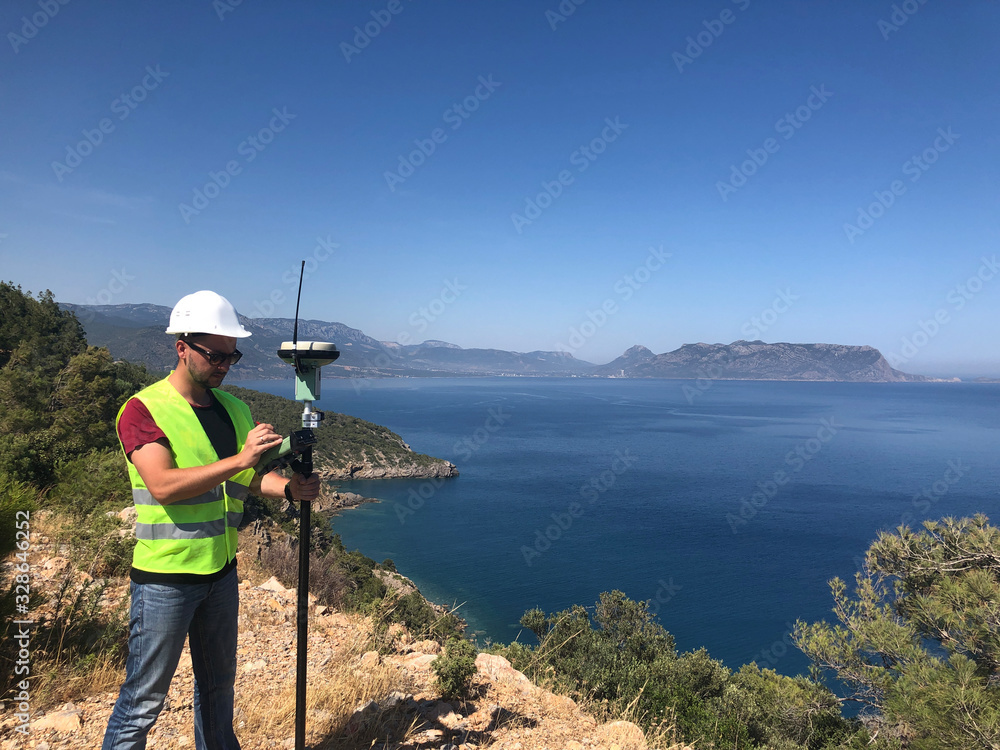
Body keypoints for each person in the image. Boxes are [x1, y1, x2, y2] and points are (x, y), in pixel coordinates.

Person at [102, 290, 319, 750]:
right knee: (143, 701)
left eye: (232, 355)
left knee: (219, 692)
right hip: (165, 578)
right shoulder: (142, 410)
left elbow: (244, 477)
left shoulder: (234, 409)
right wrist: (242, 456)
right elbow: (162, 484)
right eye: (214, 354)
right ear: (181, 347)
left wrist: (287, 488)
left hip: (221, 574)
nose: (224, 364)